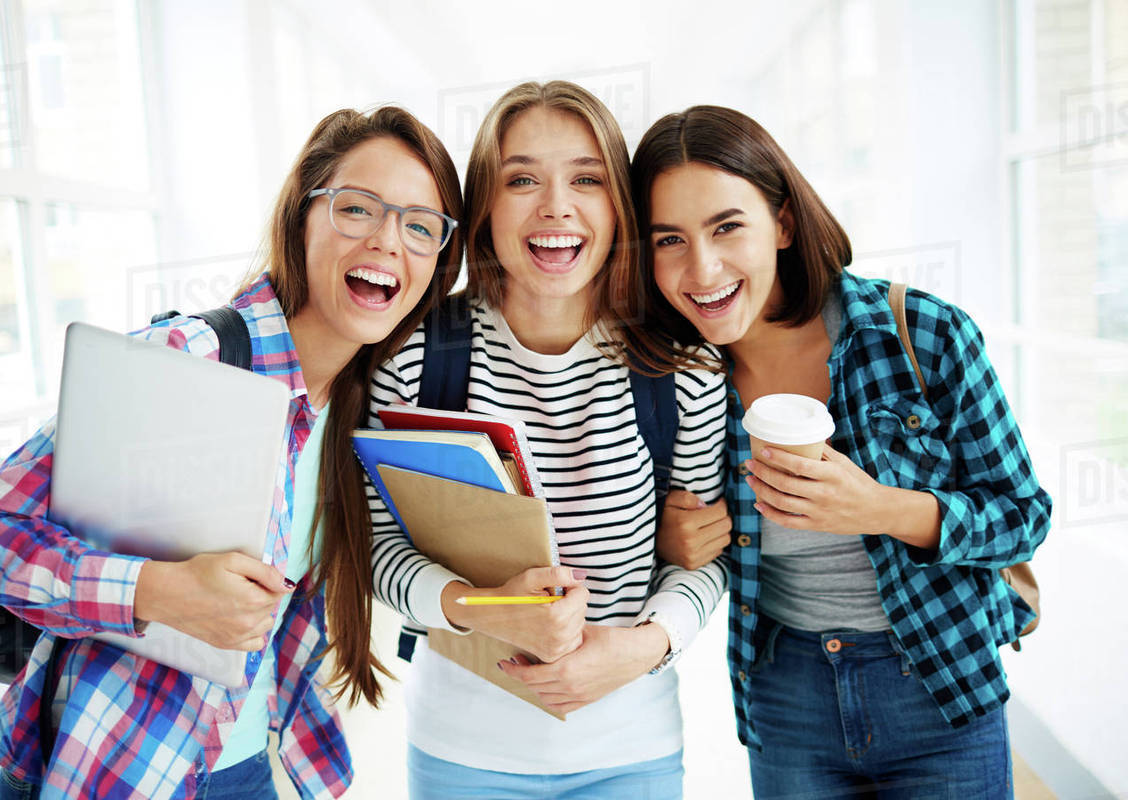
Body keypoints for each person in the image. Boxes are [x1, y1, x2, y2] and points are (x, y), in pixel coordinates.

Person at [0, 106, 463, 799]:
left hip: (246, 768)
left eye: (420, 225)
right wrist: (156, 592)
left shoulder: (360, 415)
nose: (389, 241)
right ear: (301, 217)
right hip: (112, 771)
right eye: (357, 208)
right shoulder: (189, 358)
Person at [626, 105, 1052, 798]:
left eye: (727, 226)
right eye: (668, 239)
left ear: (784, 224)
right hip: (786, 696)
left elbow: (1023, 517)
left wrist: (883, 508)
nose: (701, 268)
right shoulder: (668, 379)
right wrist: (667, 542)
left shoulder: (921, 333)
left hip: (940, 678)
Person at [366, 81, 729, 800]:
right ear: (485, 207)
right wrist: (482, 608)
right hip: (461, 752)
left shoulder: (681, 369)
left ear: (618, 205)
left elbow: (708, 557)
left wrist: (643, 645)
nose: (556, 206)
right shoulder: (416, 355)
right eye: (522, 178)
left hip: (633, 750)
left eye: (586, 179)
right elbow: (380, 547)